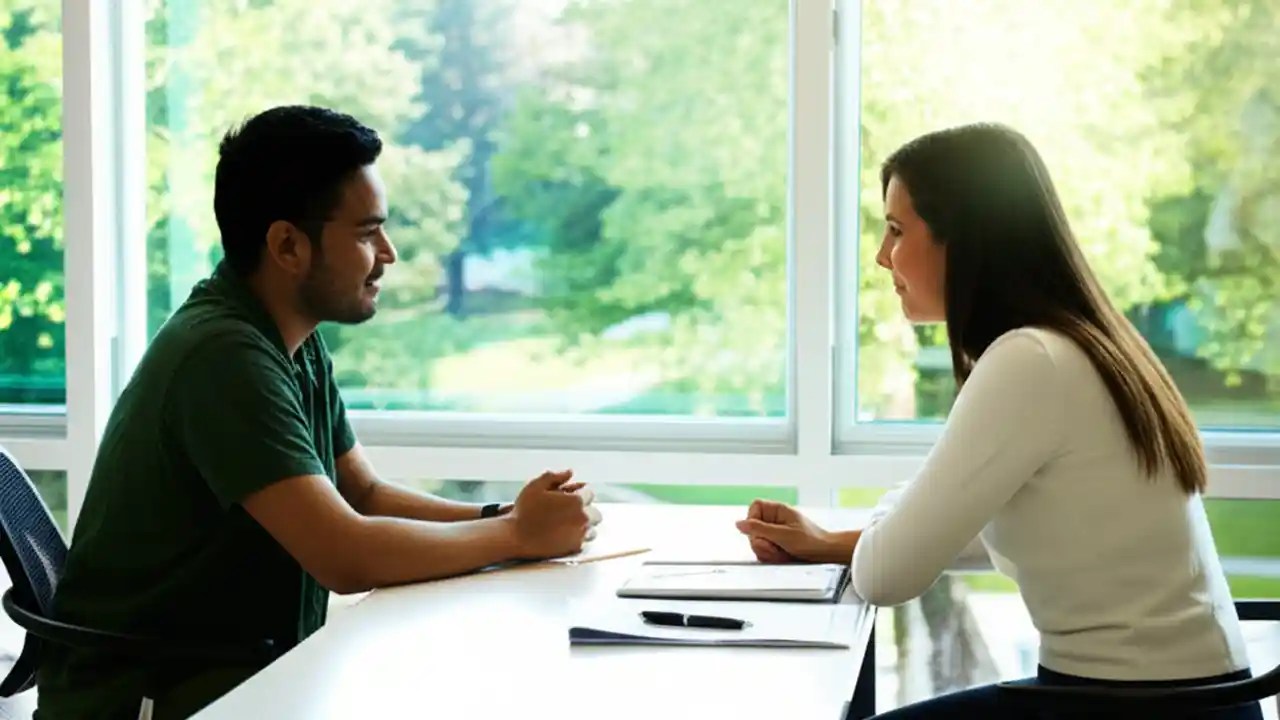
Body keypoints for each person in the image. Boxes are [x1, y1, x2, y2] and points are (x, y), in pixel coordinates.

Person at [36, 105, 601, 720]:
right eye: (365, 233)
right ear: (287, 245)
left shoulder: (289, 340)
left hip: (243, 678)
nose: (387, 253)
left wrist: (509, 517)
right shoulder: (223, 356)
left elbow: (362, 493)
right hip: (154, 702)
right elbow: (345, 555)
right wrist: (516, 536)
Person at [735, 123, 1261, 719]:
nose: (882, 256)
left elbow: (886, 577)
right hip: (1188, 700)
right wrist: (836, 543)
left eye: (897, 230)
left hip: (1133, 708)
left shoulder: (1029, 362)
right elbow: (995, 529)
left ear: (964, 240)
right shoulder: (1080, 343)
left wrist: (888, 516)